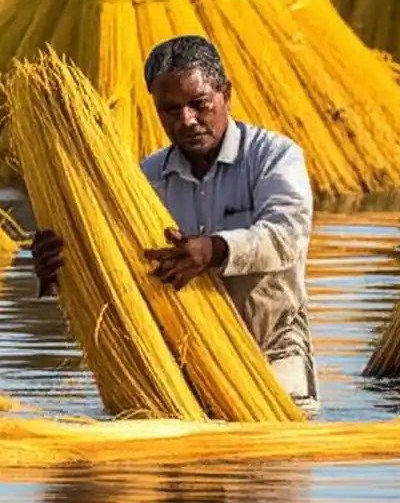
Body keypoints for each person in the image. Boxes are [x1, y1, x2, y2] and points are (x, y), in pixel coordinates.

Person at [31, 34, 319, 414]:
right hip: (183, 372)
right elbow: (123, 272)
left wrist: (215, 249)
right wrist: (62, 272)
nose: (186, 120)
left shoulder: (273, 157)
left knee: (271, 465)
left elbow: (288, 236)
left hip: (273, 360)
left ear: (225, 94)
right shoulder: (145, 181)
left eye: (199, 104)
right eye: (170, 109)